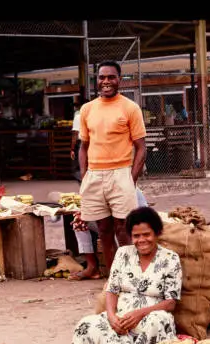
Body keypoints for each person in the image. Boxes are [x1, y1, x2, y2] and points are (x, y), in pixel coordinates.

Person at [72, 206, 182, 344]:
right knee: (85, 325)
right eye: (136, 236)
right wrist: (112, 317)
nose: (142, 240)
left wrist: (140, 313)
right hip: (121, 318)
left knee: (157, 322)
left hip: (150, 318)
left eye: (146, 234)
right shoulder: (123, 253)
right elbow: (112, 290)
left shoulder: (170, 258)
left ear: (157, 233)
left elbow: (171, 303)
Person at [78, 60, 147, 274]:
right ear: (96, 80)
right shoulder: (87, 109)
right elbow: (83, 147)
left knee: (123, 229)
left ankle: (131, 277)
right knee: (104, 231)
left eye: (111, 77)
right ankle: (113, 279)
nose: (106, 81)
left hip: (121, 173)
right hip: (95, 175)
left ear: (119, 80)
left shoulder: (130, 108)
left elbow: (141, 148)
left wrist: (131, 178)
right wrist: (85, 176)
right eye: (101, 77)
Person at [69, 188, 149, 281]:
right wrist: (83, 215)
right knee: (78, 222)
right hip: (109, 222)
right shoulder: (98, 186)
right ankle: (92, 268)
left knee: (118, 232)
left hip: (131, 226)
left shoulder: (126, 185)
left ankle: (126, 272)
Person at [70, 99, 84, 180]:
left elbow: (75, 134)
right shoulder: (92, 115)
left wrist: (72, 148)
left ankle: (82, 182)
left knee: (78, 165)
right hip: (92, 143)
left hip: (80, 143)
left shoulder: (78, 116)